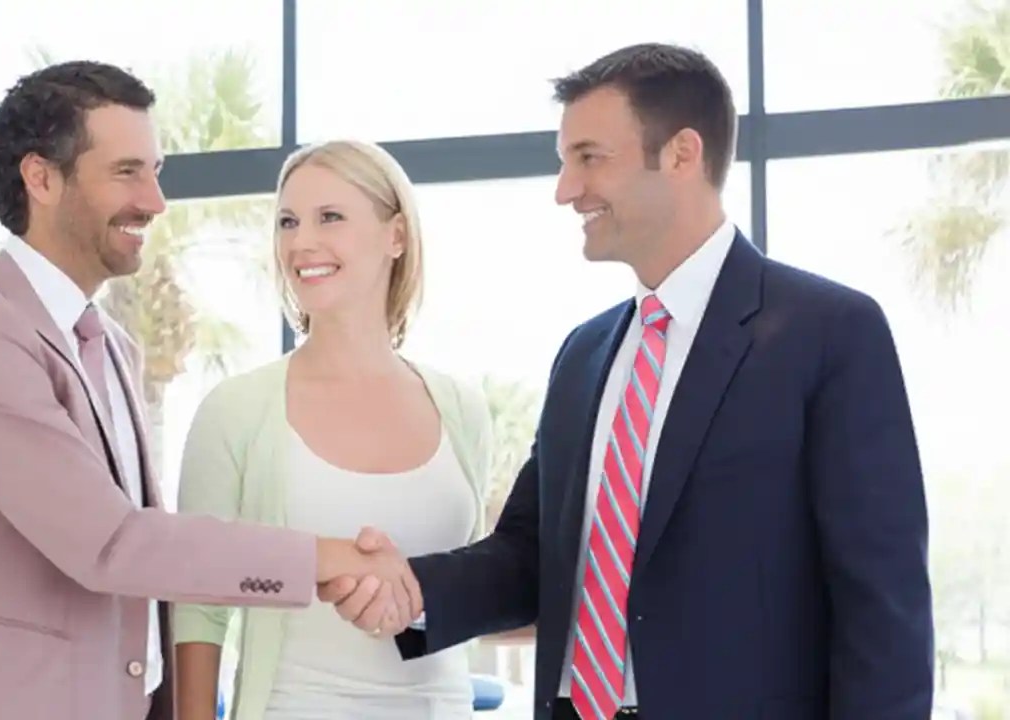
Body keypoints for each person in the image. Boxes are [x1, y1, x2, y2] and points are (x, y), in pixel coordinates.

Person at [322, 43, 934, 720]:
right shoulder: (583, 356)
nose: (565, 189)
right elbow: (534, 556)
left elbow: (884, 606)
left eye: (589, 158)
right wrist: (409, 585)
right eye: (565, 162)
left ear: (681, 154)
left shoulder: (829, 334)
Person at [0, 62, 418, 720]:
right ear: (41, 178)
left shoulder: (112, 344)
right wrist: (328, 559)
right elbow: (112, 544)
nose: (154, 201)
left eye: (155, 172)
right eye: (126, 173)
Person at [171, 139, 492, 720]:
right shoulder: (235, 410)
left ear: (396, 236)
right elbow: (199, 604)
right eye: (288, 222)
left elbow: (477, 583)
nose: (301, 242)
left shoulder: (461, 408)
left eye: (330, 218)